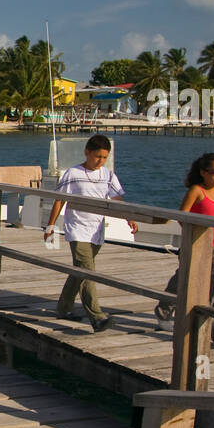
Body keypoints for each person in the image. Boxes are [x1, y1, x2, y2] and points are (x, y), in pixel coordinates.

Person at [44, 134, 137, 332]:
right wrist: (50, 226)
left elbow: (116, 198)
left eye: (104, 157)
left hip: (96, 230)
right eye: (97, 156)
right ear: (87, 152)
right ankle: (96, 317)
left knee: (80, 270)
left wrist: (129, 217)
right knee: (87, 270)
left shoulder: (108, 175)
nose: (100, 161)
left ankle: (63, 307)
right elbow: (59, 199)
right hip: (77, 228)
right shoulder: (73, 173)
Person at [152, 153, 214, 350]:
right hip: (194, 246)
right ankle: (164, 311)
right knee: (183, 281)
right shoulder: (197, 191)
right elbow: (181, 216)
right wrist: (193, 237)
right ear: (203, 173)